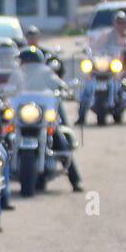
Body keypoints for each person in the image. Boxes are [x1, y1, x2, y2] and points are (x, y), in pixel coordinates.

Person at [16, 48, 83, 191]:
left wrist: (66, 90)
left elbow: (59, 84)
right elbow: (7, 89)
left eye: (28, 62)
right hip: (22, 120)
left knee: (61, 141)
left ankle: (75, 180)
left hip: (42, 120)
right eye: (23, 62)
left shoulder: (46, 74)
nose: (26, 65)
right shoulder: (17, 75)